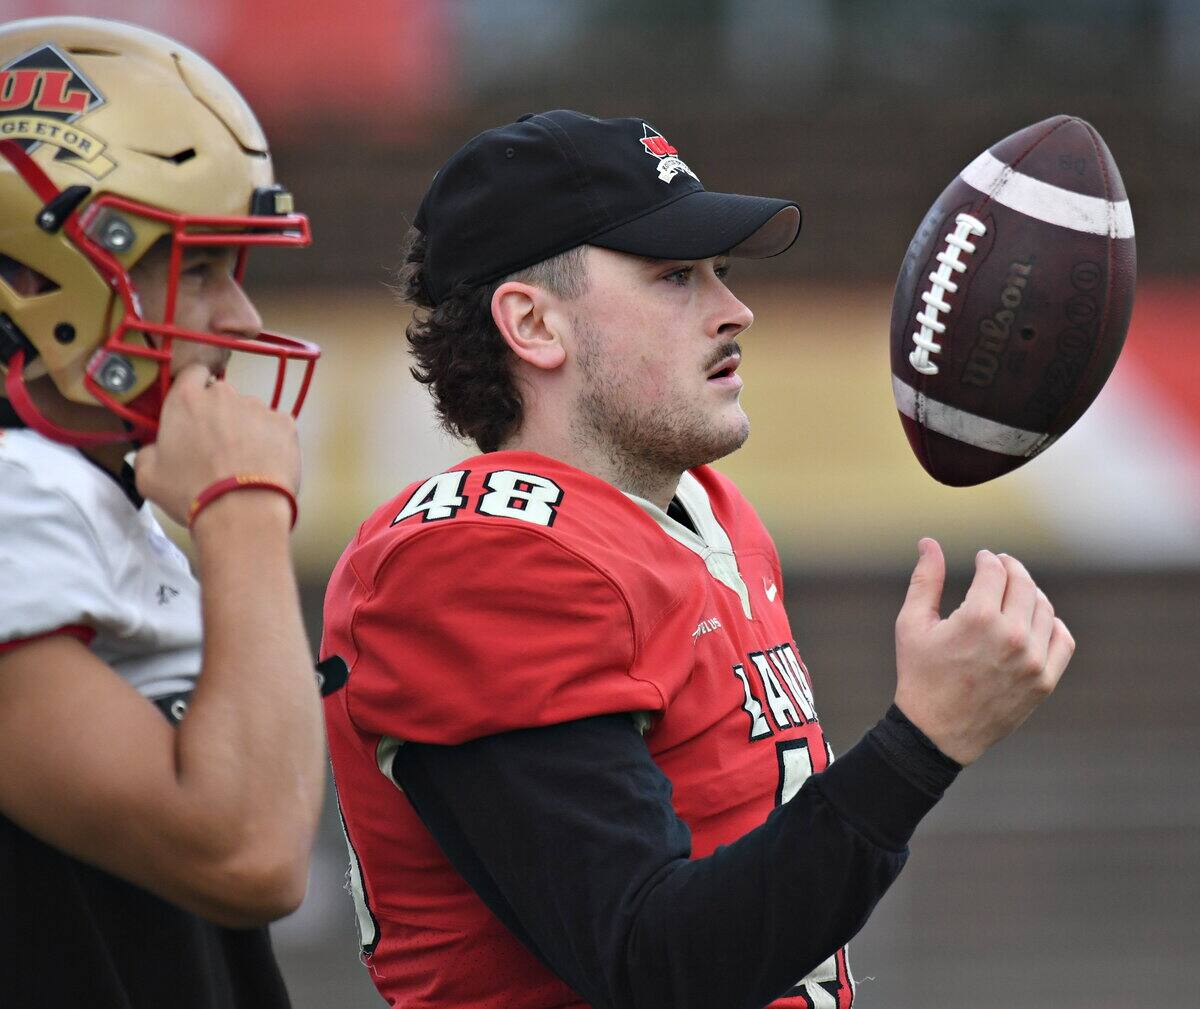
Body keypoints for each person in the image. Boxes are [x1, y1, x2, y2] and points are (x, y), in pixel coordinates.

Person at [321, 110, 1075, 1009]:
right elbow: (654, 964)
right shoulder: (476, 559)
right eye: (676, 275)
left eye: (719, 270)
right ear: (532, 323)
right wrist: (923, 742)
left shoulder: (704, 511)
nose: (734, 308)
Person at [0, 17, 326, 1008]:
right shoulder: (18, 498)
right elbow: (248, 851)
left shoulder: (83, 488)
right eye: (193, 266)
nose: (241, 321)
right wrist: (242, 514)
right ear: (29, 274)